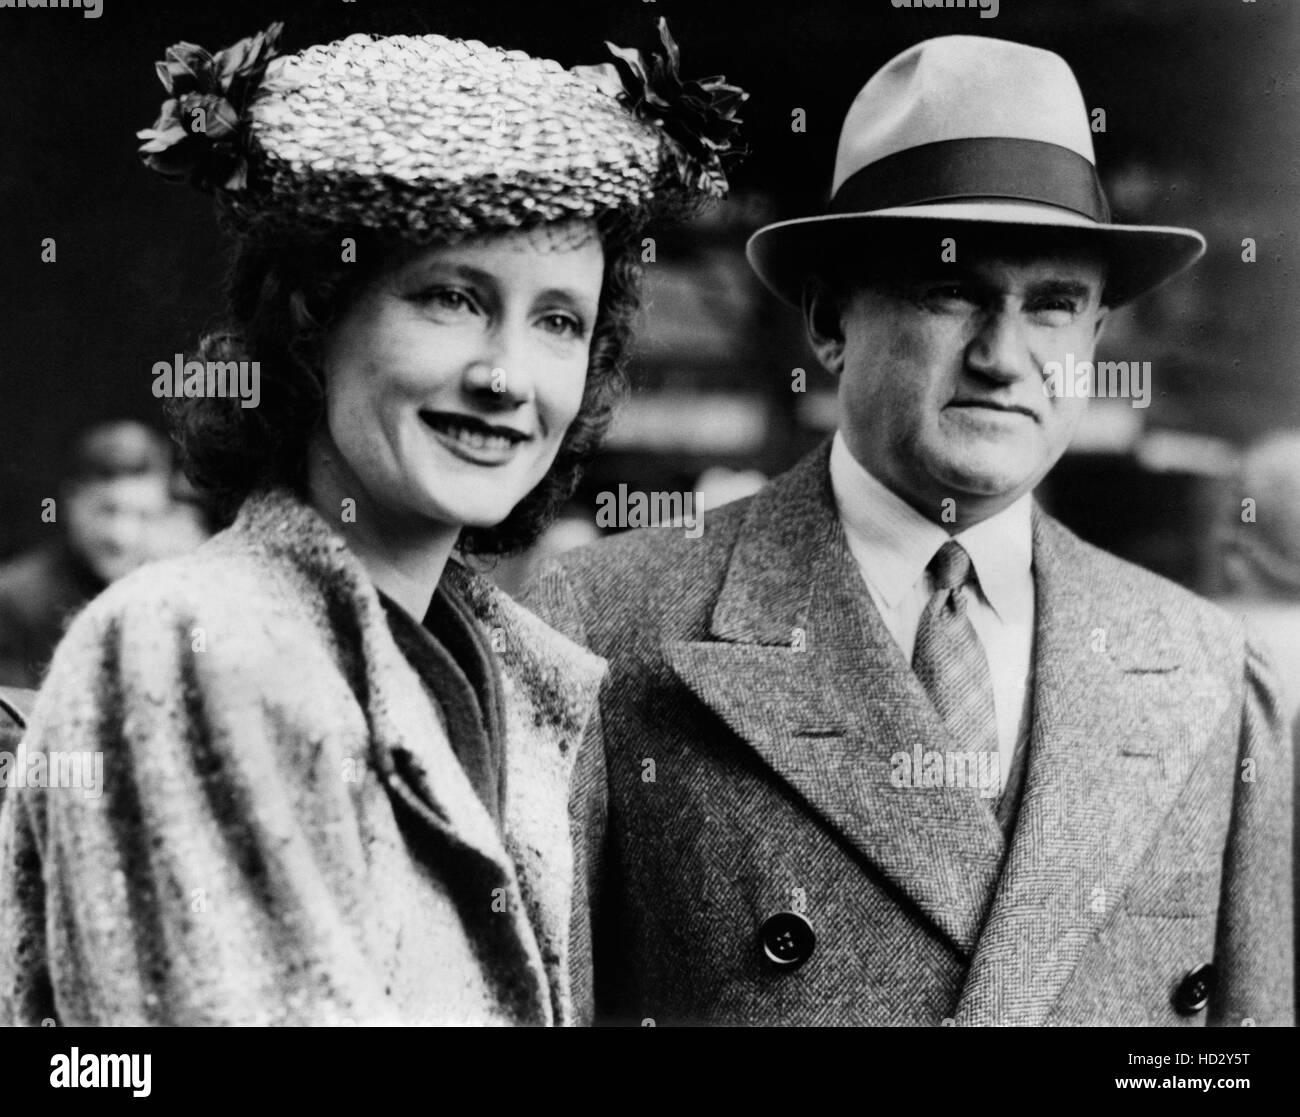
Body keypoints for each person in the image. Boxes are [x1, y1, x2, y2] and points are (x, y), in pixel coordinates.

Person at [527, 36, 1293, 1025]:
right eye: (951, 291)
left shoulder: (1208, 671)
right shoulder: (603, 627)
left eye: (1053, 305)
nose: (1003, 356)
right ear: (828, 320)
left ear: (1095, 337)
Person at [0, 21, 742, 1026]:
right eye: (450, 298)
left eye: (559, 320)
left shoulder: (520, 676)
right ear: (312, 319)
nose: (506, 376)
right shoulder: (190, 646)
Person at [0, 420, 171, 688]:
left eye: (144, 515)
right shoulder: (13, 601)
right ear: (71, 502)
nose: (122, 536)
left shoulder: (171, 595)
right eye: (107, 510)